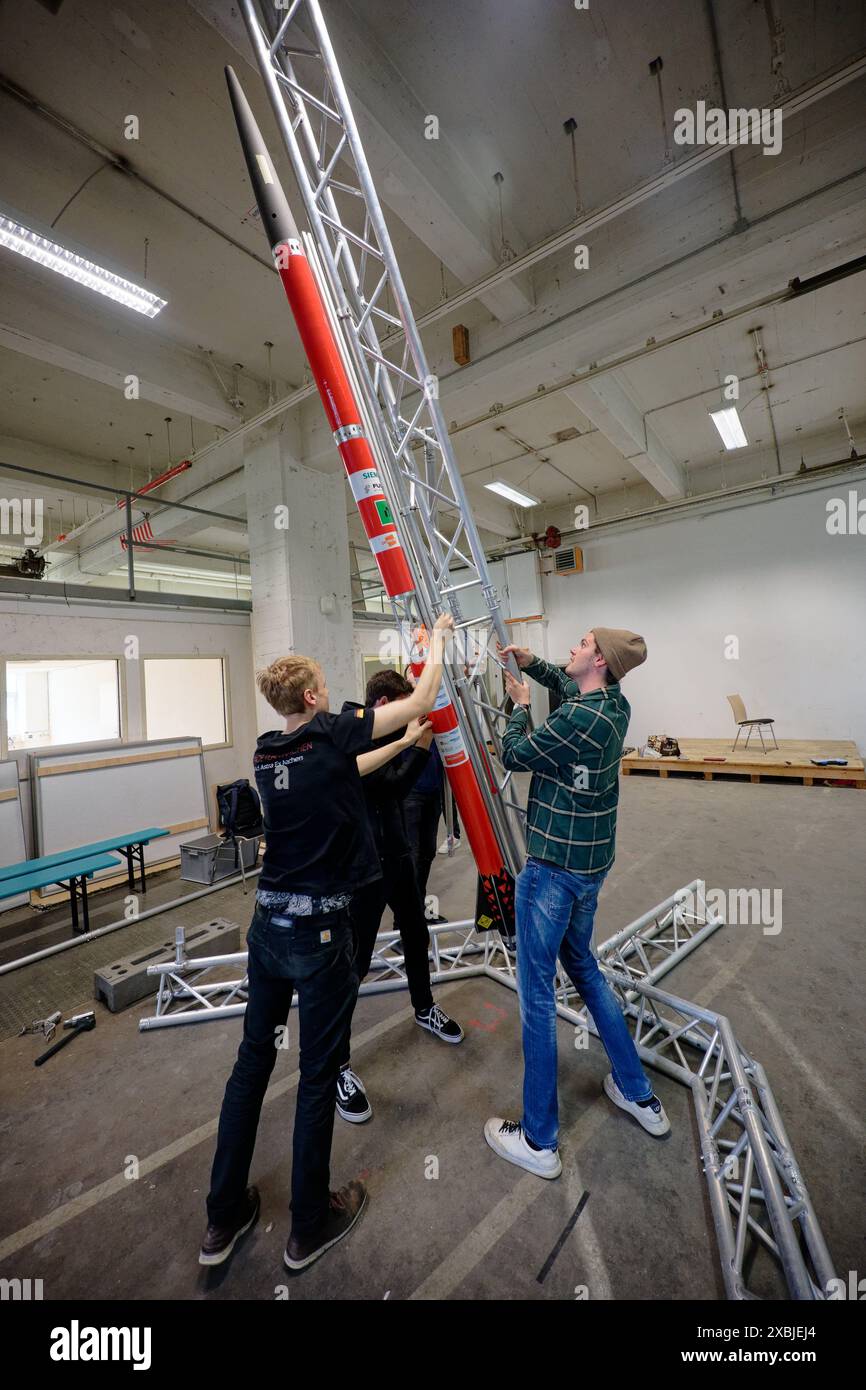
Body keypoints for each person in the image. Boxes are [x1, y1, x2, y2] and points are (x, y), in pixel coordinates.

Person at [199, 613, 454, 1273]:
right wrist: (441, 639)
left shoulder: (266, 751)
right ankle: (309, 1223)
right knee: (316, 1075)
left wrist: (401, 747)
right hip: (319, 936)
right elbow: (421, 701)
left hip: (267, 931)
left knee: (250, 1065)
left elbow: (347, 769)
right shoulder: (331, 733)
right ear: (313, 697)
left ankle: (223, 1216)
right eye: (320, 682)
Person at [484, 628, 671, 1181]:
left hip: (552, 870)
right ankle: (638, 1093)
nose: (573, 645)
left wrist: (518, 707)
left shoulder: (579, 720)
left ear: (598, 660)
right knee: (584, 968)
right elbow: (569, 694)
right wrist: (533, 663)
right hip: (590, 866)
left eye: (582, 641)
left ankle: (539, 1140)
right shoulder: (613, 705)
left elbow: (515, 755)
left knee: (536, 996)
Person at [336, 670, 464, 1123]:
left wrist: (419, 745)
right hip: (365, 868)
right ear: (387, 702)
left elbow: (398, 791)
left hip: (397, 855)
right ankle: (337, 1063)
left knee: (414, 930)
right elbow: (388, 785)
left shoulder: (385, 732)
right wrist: (418, 745)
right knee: (355, 961)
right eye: (405, 705)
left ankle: (424, 1007)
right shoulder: (357, 733)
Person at [401, 664, 447, 920]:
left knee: (426, 853)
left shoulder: (436, 708)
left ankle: (418, 912)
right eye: (414, 676)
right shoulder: (404, 710)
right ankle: (407, 919)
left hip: (433, 791)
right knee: (412, 856)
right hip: (411, 793)